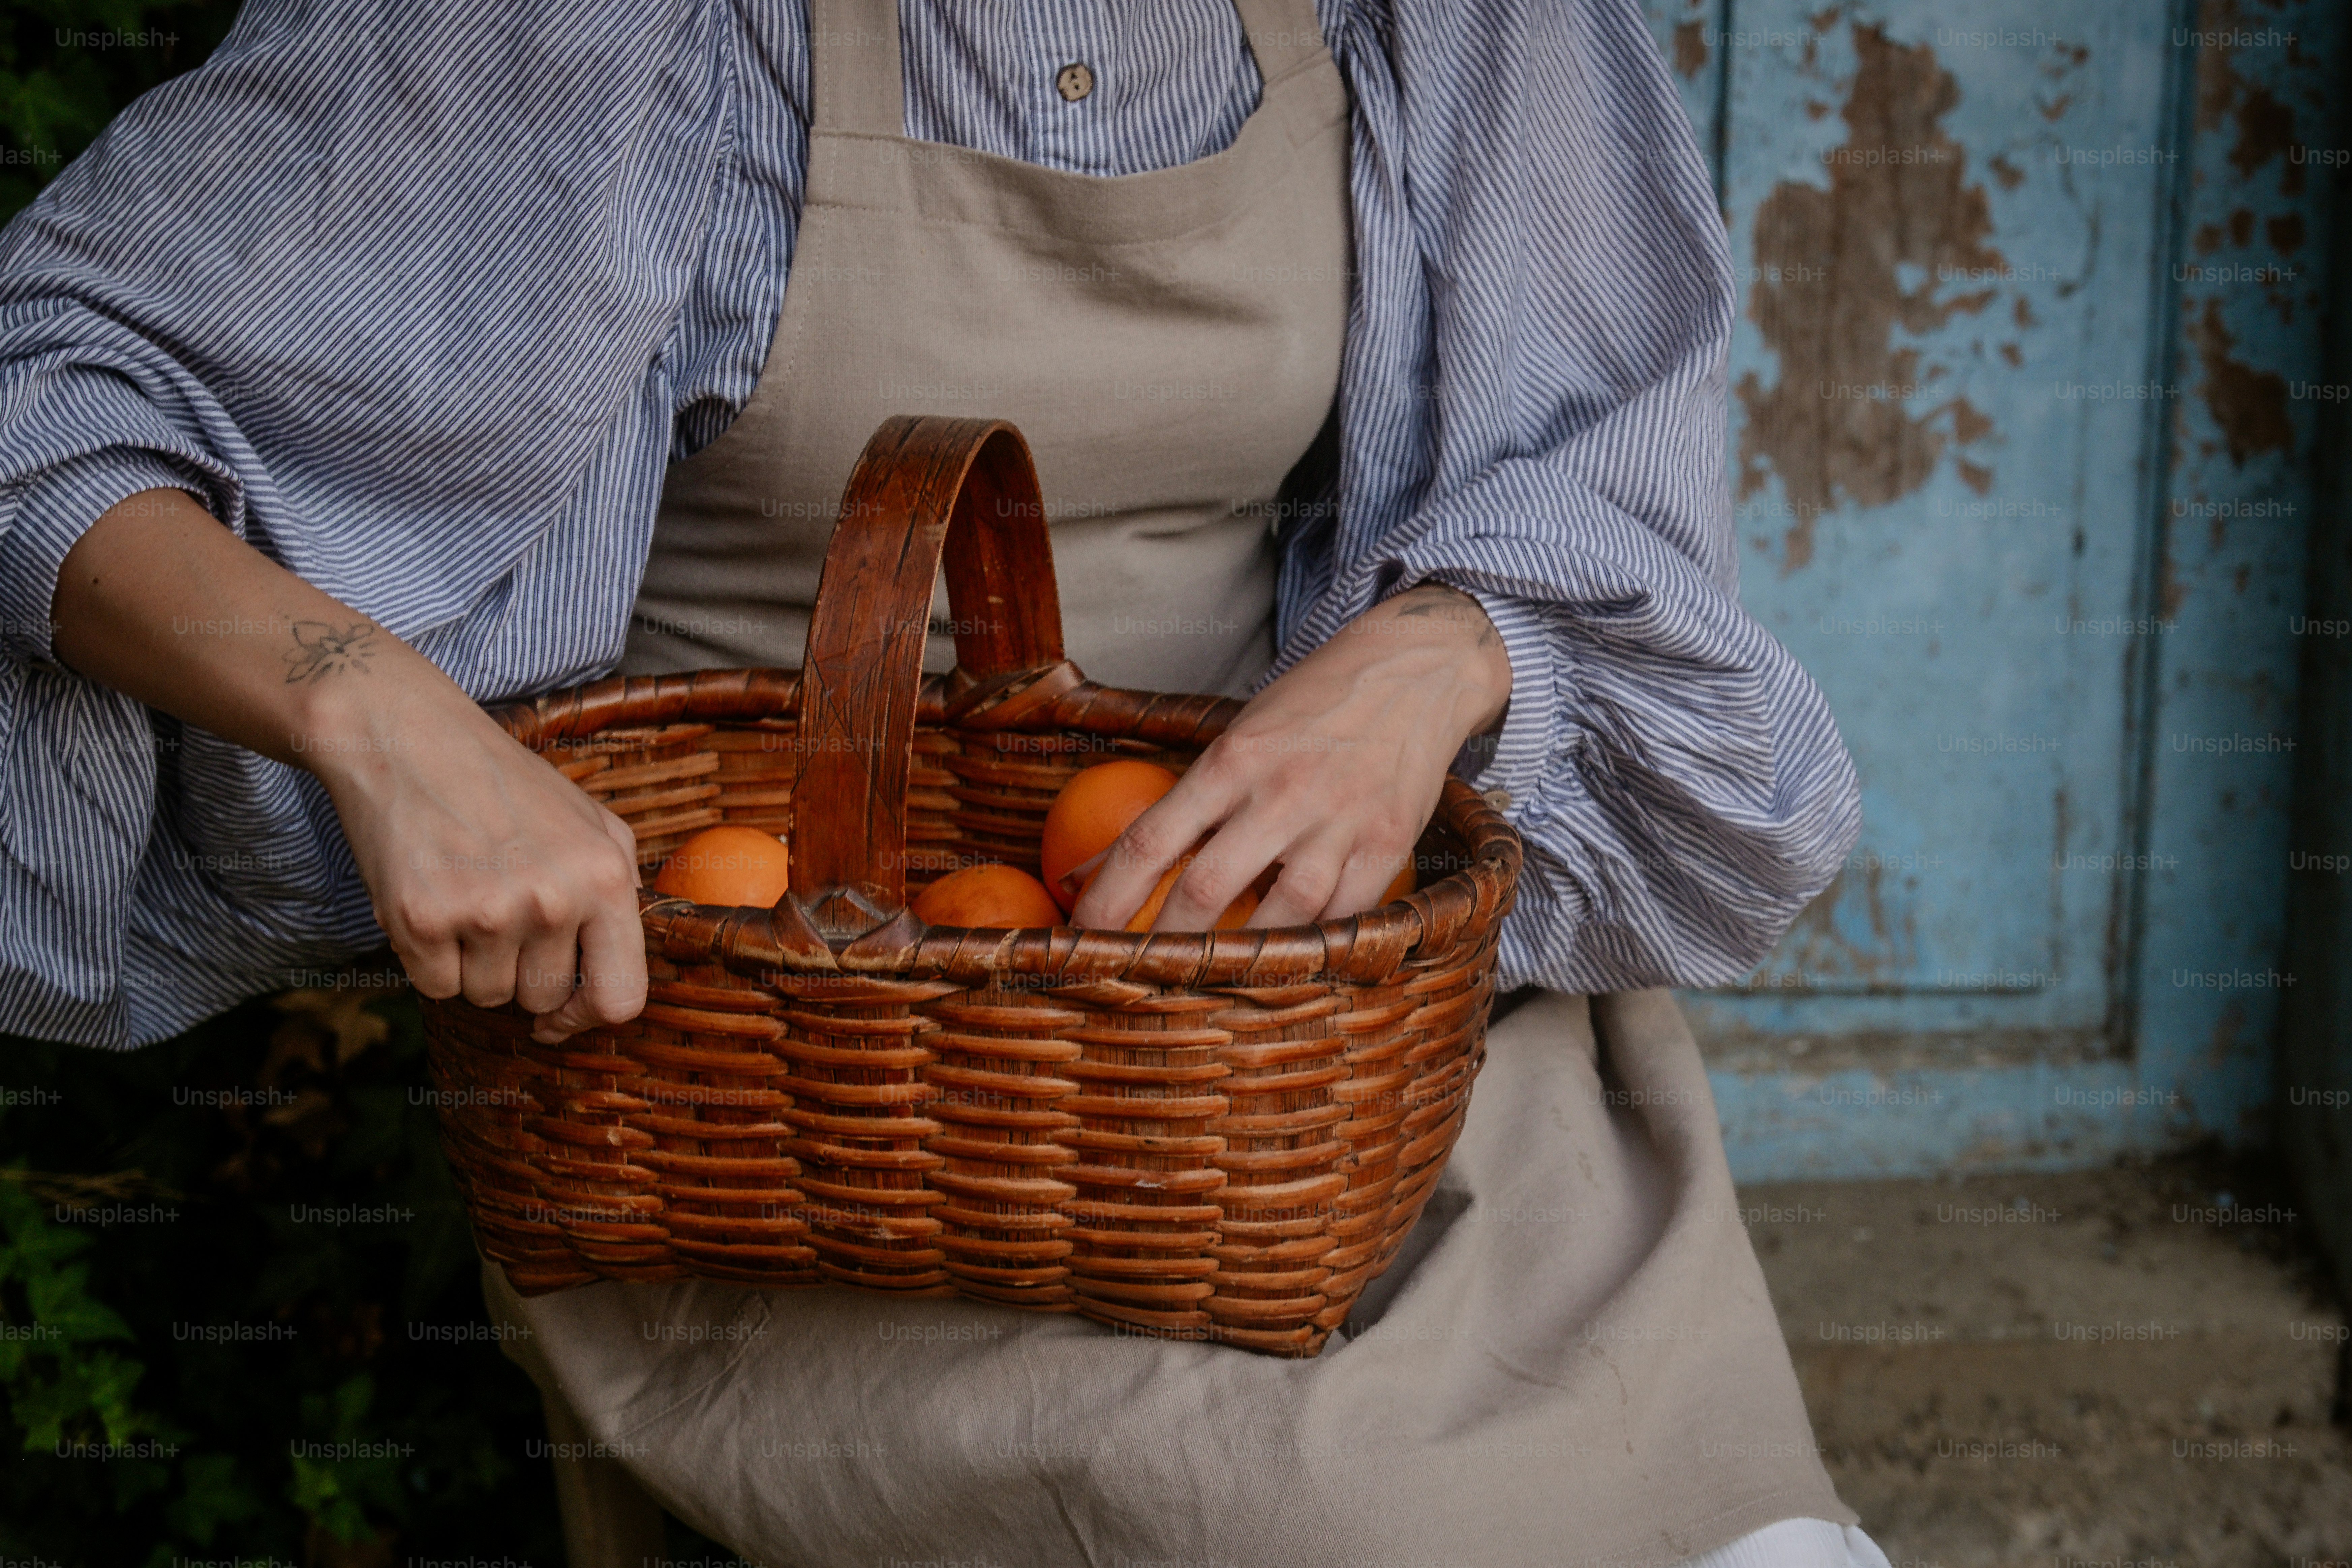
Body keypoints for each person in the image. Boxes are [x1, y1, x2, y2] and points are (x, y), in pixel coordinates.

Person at [0, 0, 1883, 1563]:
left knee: (1707, 1516)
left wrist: (1441, 652)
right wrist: (377, 709)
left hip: (1326, 1026)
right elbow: (45, 389)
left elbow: (1600, 470)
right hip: (799, 1095)